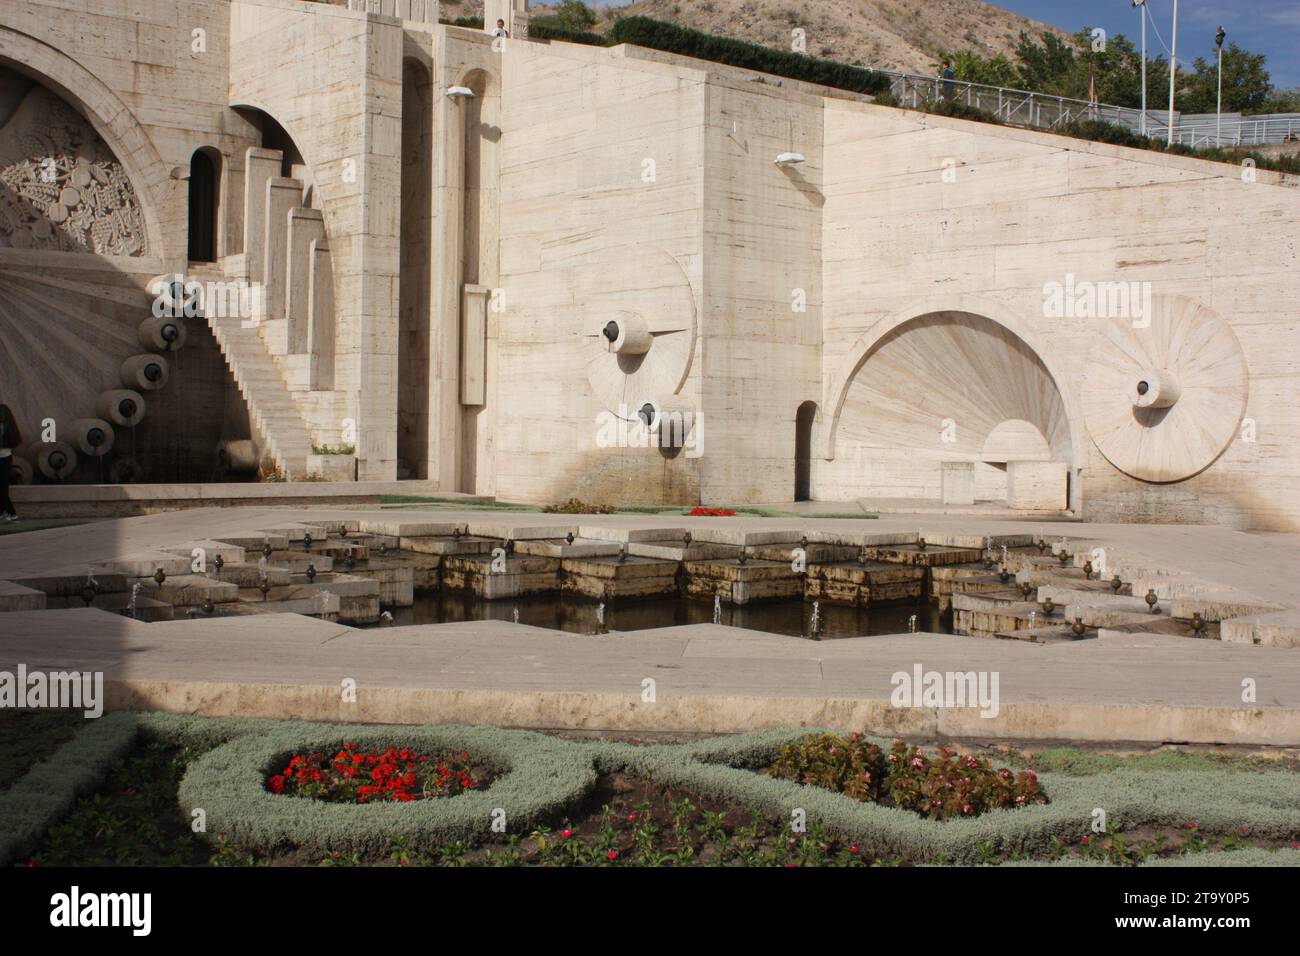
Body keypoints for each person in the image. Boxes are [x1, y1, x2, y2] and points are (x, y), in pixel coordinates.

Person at [0, 404, 21, 523]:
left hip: (1, 459)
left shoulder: (2, 427)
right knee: (3, 487)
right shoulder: (11, 428)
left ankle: (12, 514)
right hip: (7, 458)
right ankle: (5, 513)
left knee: (2, 488)